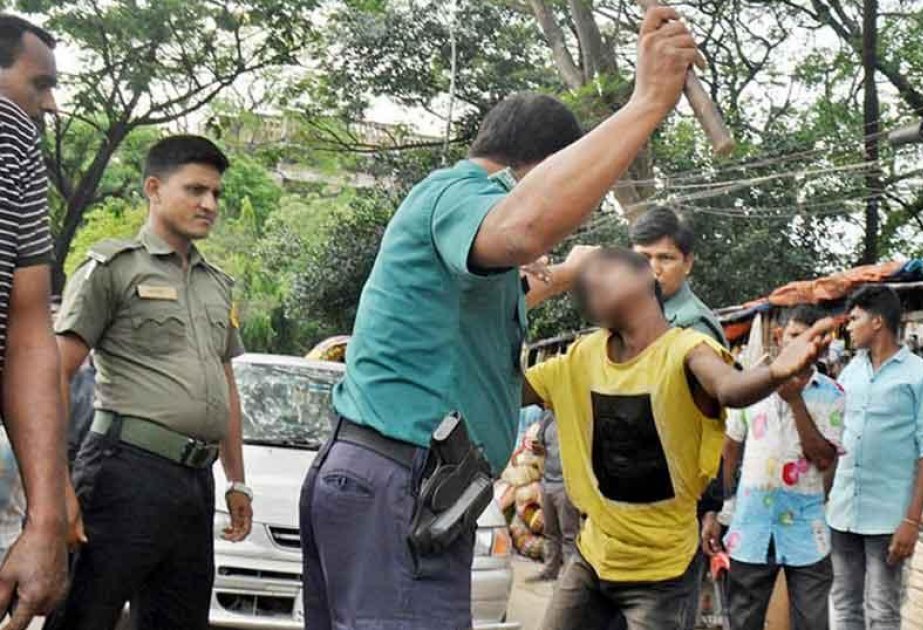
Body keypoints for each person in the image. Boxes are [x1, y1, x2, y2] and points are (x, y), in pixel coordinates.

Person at [299, 8, 704, 629]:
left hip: (399, 482)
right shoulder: (461, 192)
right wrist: (647, 101)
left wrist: (568, 273)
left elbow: (471, 307)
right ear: (540, 167)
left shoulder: (462, 237)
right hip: (404, 482)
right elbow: (522, 226)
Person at [525, 248, 836, 630]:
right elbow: (501, 385)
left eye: (603, 272)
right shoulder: (582, 355)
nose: (590, 284)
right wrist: (549, 279)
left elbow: (728, 387)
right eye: (583, 282)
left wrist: (775, 372)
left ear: (645, 277)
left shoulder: (687, 349)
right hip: (593, 556)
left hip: (662, 574)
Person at [49, 135, 254, 630]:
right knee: (85, 615)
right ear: (154, 189)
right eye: (196, 190)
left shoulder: (216, 282)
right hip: (124, 472)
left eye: (216, 194)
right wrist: (57, 485)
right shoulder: (113, 267)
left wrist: (237, 480)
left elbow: (224, 381)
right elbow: (55, 374)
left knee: (178, 621)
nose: (209, 204)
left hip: (194, 481)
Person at [707, 305, 845, 630]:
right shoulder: (749, 385)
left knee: (812, 622)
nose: (806, 346)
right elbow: (730, 450)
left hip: (807, 532)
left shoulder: (832, 394)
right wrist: (716, 511)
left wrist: (795, 400)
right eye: (797, 337)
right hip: (751, 526)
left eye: (816, 339)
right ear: (780, 337)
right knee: (743, 621)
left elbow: (824, 459)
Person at [0, 15, 71, 628]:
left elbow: (28, 333)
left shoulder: (15, 142)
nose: (49, 105)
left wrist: (45, 516)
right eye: (38, 84)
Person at [827, 285, 923, 630]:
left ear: (877, 321)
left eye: (854, 319)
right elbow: (836, 438)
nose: (848, 327)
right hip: (843, 510)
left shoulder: (922, 375)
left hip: (889, 517)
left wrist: (912, 520)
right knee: (844, 607)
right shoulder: (850, 372)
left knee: (882, 610)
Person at [630, 207, 725, 345]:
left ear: (687, 263)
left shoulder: (694, 327)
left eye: (665, 258)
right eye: (643, 257)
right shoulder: (628, 312)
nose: (654, 270)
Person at [528, 409, 580, 583]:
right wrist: (537, 448)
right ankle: (550, 571)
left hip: (566, 484)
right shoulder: (549, 417)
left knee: (569, 534)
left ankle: (569, 576)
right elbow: (541, 445)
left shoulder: (575, 416)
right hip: (548, 482)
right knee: (550, 532)